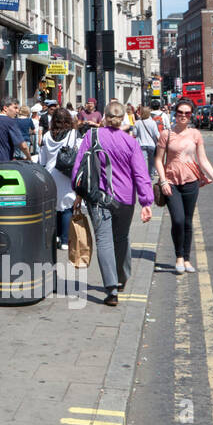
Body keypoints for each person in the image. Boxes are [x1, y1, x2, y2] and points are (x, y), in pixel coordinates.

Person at [71, 100, 154, 307]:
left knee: (104, 241)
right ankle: (122, 277)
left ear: (105, 117)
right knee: (122, 237)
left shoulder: (92, 136)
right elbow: (141, 174)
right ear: (123, 118)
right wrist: (146, 202)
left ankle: (111, 289)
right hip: (125, 199)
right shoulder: (131, 142)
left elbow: (79, 167)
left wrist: (78, 193)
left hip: (98, 198)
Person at [154, 98, 213, 276]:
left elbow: (202, 160)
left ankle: (186, 258)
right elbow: (158, 160)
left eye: (187, 113)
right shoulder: (167, 134)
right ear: (175, 113)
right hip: (171, 182)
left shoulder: (195, 134)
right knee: (178, 220)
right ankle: (178, 256)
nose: (183, 116)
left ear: (191, 115)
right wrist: (163, 180)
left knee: (187, 221)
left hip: (191, 182)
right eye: (180, 113)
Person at [39, 109, 80, 250]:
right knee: (67, 207)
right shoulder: (73, 134)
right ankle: (64, 240)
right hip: (66, 173)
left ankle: (54, 236)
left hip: (49, 173)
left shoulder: (46, 136)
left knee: (54, 206)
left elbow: (42, 159)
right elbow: (79, 152)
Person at [132, 106, 161, 179]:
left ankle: (143, 175)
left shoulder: (137, 123)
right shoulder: (153, 122)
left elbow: (134, 134)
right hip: (152, 144)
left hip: (141, 144)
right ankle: (151, 175)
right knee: (152, 161)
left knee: (143, 161)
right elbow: (156, 134)